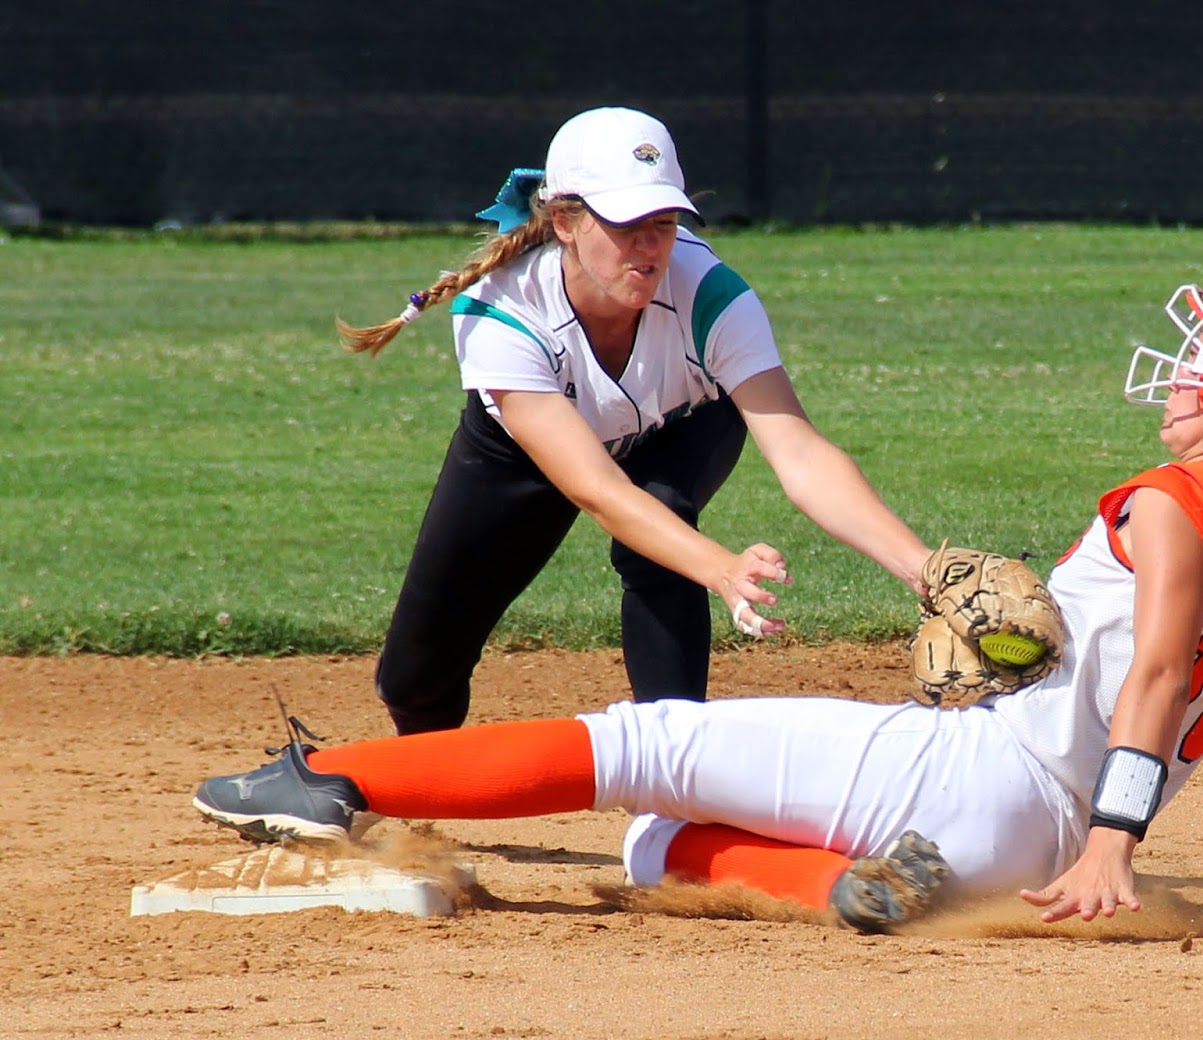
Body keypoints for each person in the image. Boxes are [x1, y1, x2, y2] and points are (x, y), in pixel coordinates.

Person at [195, 278, 1203, 932]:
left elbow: (1157, 679)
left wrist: (1109, 849)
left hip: (981, 786)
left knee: (645, 743)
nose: (1188, 368)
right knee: (654, 841)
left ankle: (337, 780)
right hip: (1008, 848)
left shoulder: (1168, 503)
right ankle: (842, 889)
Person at [340, 106, 931, 733]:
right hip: (523, 454)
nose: (650, 247)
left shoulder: (712, 297)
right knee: (414, 675)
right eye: (626, 224)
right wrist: (721, 569)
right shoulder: (502, 310)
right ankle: (423, 802)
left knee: (663, 522)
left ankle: (675, 775)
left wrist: (924, 570)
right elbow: (594, 488)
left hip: (685, 423)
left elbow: (802, 454)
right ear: (565, 222)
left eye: (666, 221)